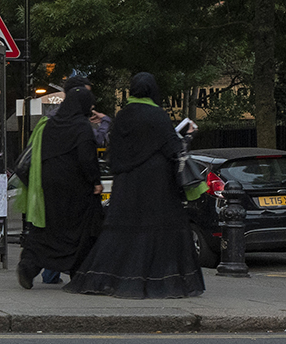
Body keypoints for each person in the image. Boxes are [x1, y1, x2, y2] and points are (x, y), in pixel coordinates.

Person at [64, 72, 204, 299]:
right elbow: (173, 149)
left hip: (127, 184)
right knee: (159, 230)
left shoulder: (123, 116)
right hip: (157, 185)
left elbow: (114, 151)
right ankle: (163, 281)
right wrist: (188, 136)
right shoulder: (157, 115)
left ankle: (111, 279)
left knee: (124, 231)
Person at [15, 85, 103, 289]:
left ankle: (29, 265)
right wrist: (95, 181)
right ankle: (78, 270)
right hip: (76, 189)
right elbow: (86, 158)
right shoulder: (81, 127)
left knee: (48, 228)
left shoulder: (50, 124)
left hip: (49, 186)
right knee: (80, 232)